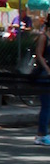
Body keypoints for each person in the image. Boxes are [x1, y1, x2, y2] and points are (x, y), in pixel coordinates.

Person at [34, 16, 50, 147]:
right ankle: (41, 134)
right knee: (46, 105)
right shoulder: (44, 37)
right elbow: (39, 54)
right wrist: (47, 68)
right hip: (45, 75)